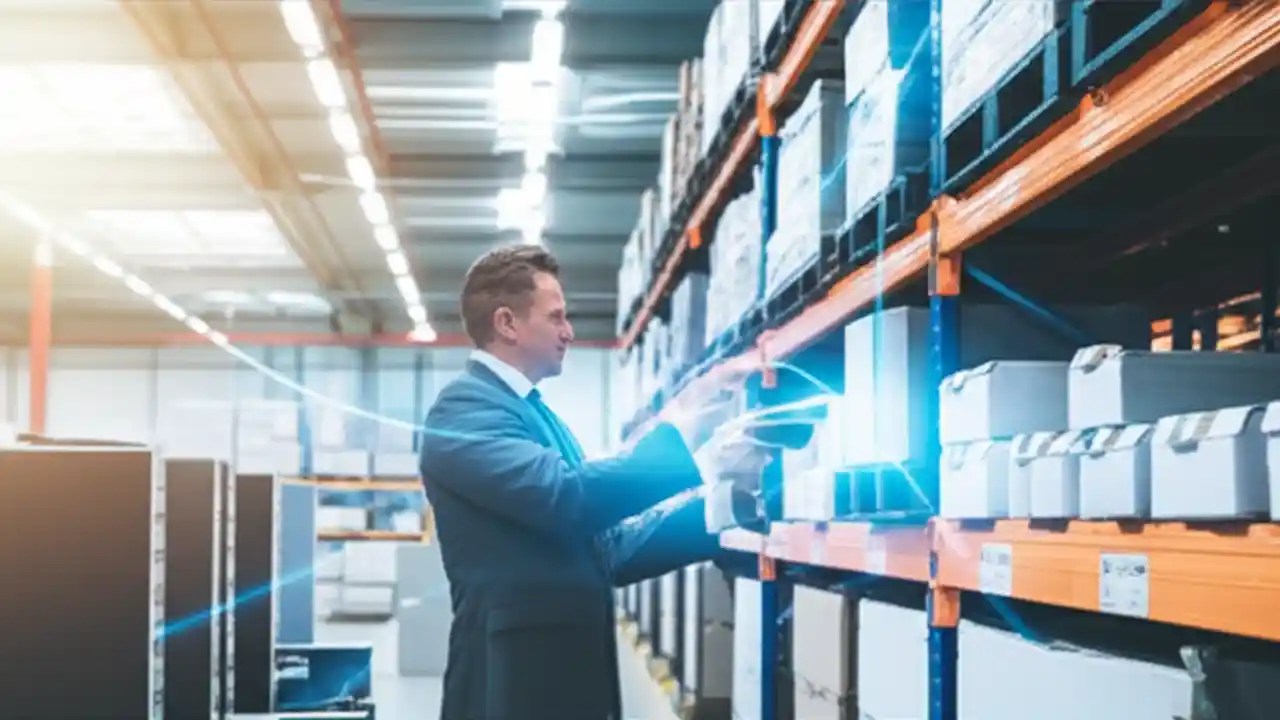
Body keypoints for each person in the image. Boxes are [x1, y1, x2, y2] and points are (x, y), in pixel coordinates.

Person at [419, 245, 756, 720]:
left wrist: (724, 501)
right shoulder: (464, 411)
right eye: (556, 317)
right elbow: (566, 497)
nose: (569, 332)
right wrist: (681, 426)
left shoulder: (535, 413)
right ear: (507, 324)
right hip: (515, 685)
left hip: (560, 678)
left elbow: (607, 549)